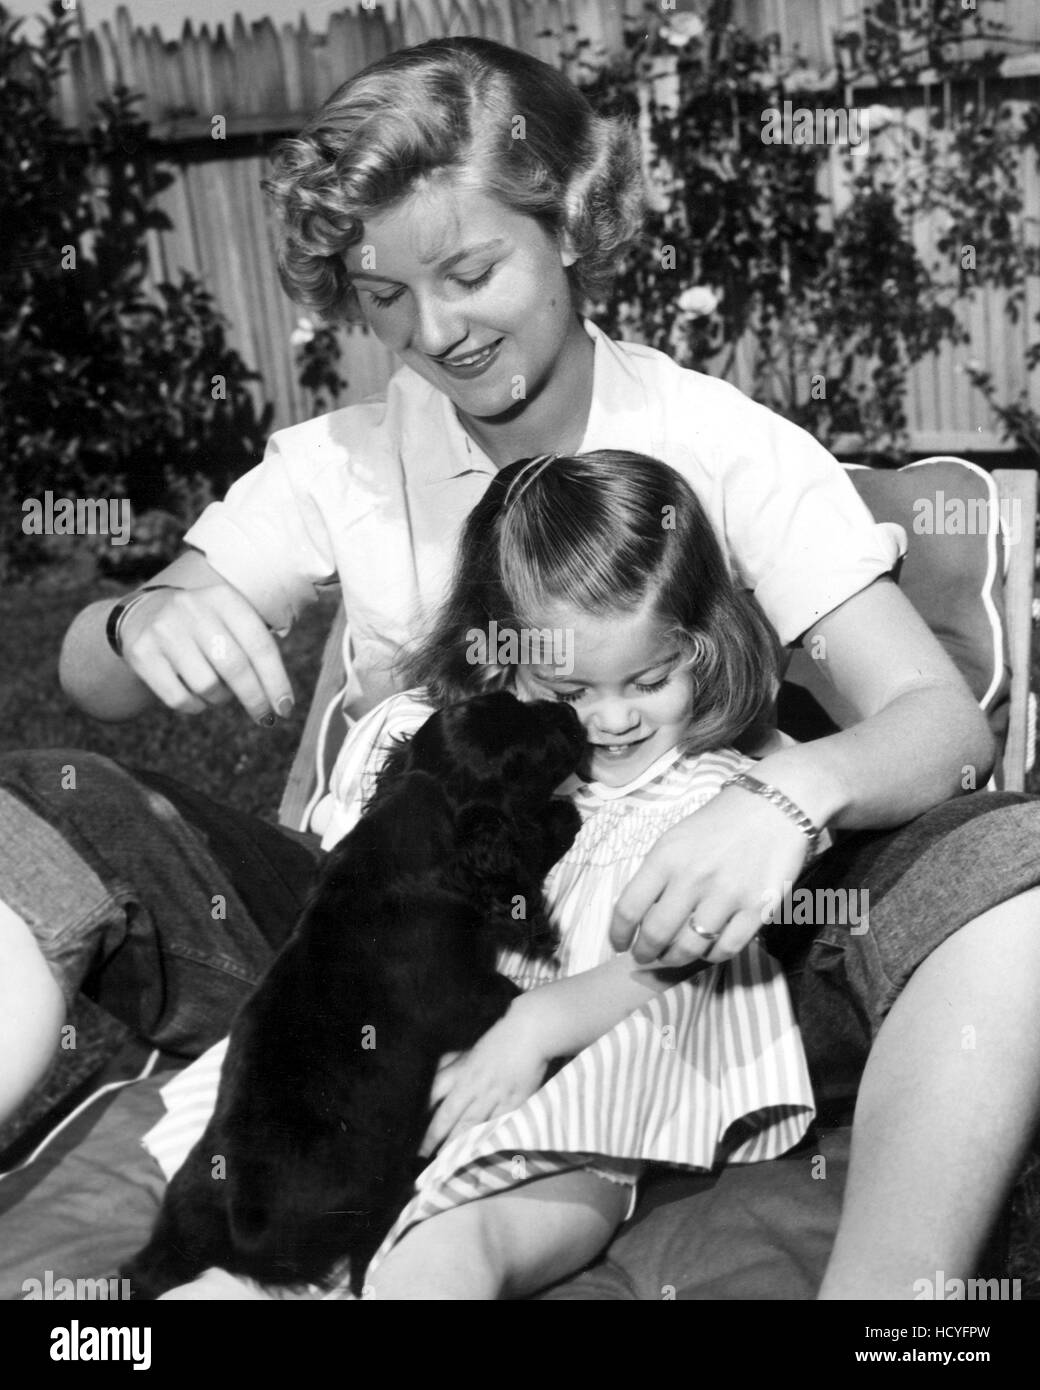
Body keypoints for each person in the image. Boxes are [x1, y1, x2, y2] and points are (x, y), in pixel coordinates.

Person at [3, 35, 1040, 1299]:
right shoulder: (336, 462)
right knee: (49, 801)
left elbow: (938, 721)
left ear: (570, 221)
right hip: (351, 954)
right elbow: (90, 676)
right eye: (385, 295)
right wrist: (139, 622)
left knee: (1004, 869)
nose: (433, 331)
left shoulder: (722, 447)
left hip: (666, 953)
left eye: (470, 269)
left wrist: (784, 797)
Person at [147, 449, 818, 1300]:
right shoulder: (448, 755)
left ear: (704, 646)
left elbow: (684, 957)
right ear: (501, 654)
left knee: (443, 1259)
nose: (612, 718)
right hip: (390, 1083)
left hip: (582, 1125)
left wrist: (536, 1027)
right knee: (246, 1240)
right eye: (569, 688)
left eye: (651, 681)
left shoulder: (714, 796)